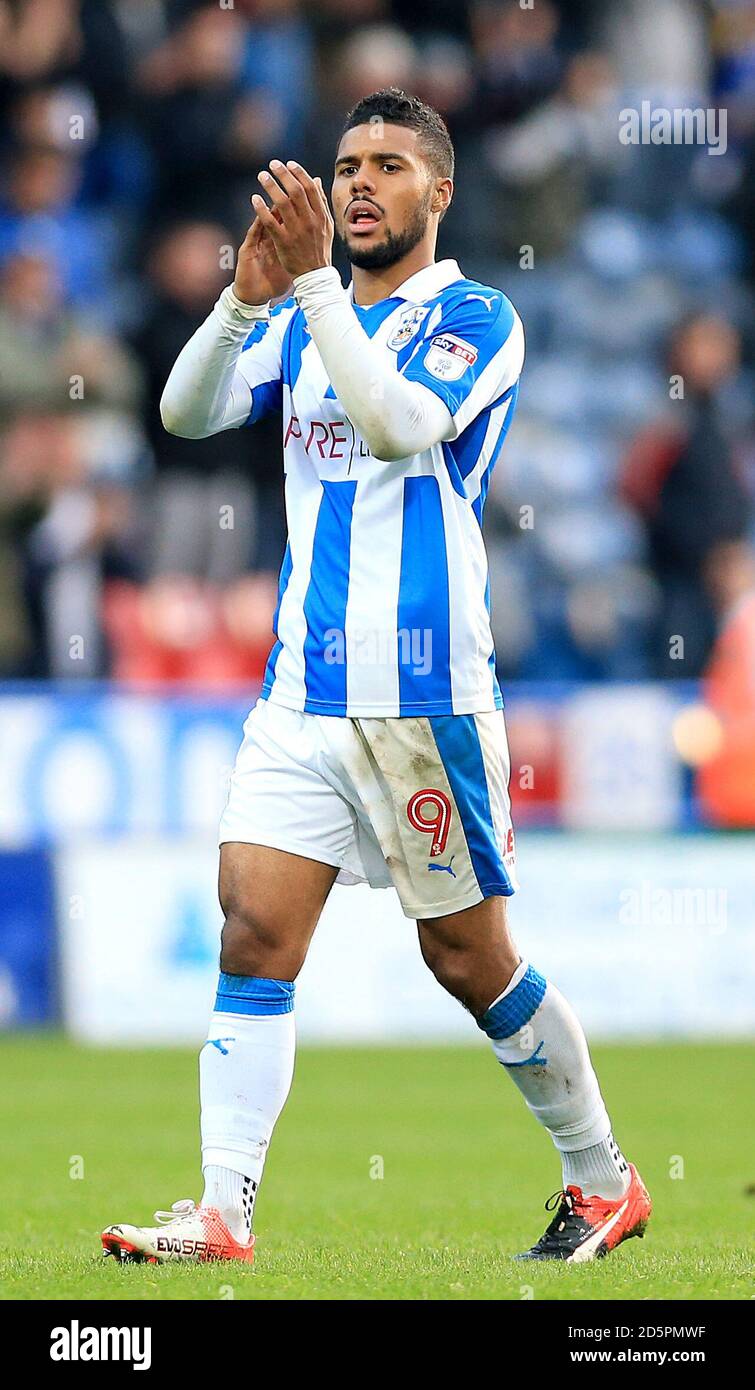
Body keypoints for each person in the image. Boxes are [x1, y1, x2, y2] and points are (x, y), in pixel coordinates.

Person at [101, 88, 651, 1266]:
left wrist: (303, 292)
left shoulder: (476, 316)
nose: (359, 182)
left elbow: (400, 422)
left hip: (424, 698)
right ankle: (222, 1211)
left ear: (438, 193)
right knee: (252, 927)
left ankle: (602, 1178)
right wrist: (243, 297)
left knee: (466, 957)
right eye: (347, 162)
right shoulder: (302, 319)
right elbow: (184, 411)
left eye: (390, 165)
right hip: (302, 690)